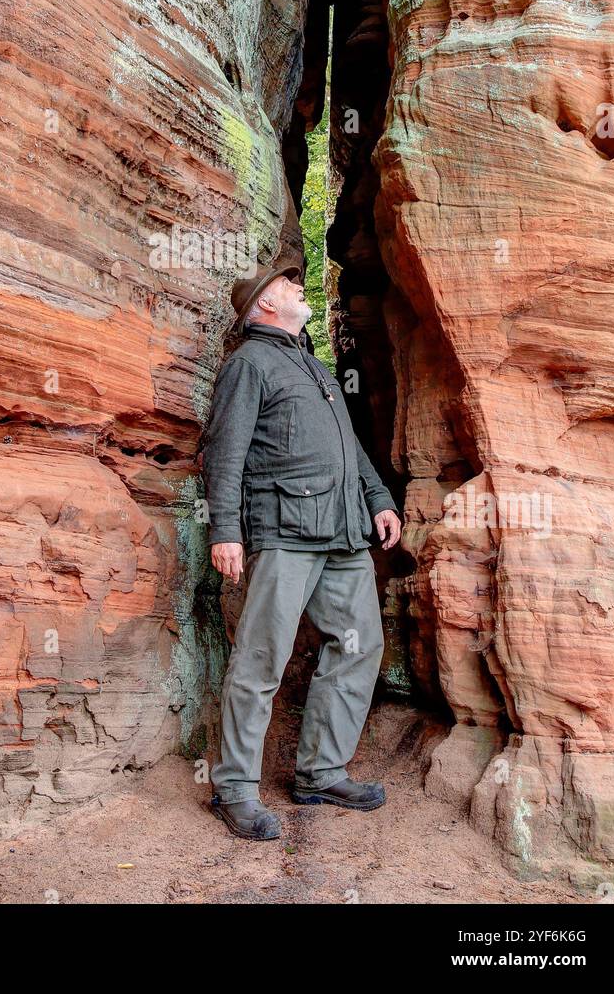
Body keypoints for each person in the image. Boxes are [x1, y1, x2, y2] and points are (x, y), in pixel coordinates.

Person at [202, 259, 402, 840]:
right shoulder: (248, 364)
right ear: (264, 303)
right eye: (287, 283)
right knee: (260, 659)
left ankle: (321, 771)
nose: (298, 286)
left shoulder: (313, 365)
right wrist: (225, 531)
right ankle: (234, 789)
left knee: (359, 645)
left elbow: (351, 447)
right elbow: (225, 451)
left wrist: (377, 498)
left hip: (344, 533)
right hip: (283, 532)